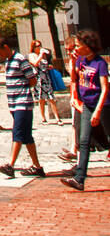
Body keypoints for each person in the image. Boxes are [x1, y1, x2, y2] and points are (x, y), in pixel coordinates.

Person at [0, 28, 45, 178]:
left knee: (18, 133)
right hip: (14, 104)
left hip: (23, 103)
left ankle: (11, 164)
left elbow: (32, 79)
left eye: (0, 52)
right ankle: (37, 166)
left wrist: (23, 90)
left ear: (6, 47)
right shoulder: (8, 62)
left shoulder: (20, 59)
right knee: (26, 136)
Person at [61, 29, 109, 192]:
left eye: (78, 45)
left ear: (87, 46)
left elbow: (105, 88)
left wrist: (98, 111)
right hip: (87, 105)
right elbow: (74, 77)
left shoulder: (100, 63)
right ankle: (79, 179)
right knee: (83, 141)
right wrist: (72, 61)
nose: (75, 48)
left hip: (102, 106)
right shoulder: (80, 60)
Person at [58, 36, 81, 165]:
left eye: (70, 49)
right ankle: (74, 149)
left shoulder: (83, 60)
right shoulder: (73, 60)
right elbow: (72, 79)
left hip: (85, 98)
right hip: (76, 97)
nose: (68, 52)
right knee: (74, 125)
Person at [28, 40, 61, 124]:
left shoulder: (44, 56)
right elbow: (35, 63)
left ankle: (57, 118)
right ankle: (43, 118)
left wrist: (49, 66)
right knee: (41, 99)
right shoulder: (32, 55)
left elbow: (45, 65)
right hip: (38, 79)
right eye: (37, 46)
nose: (39, 47)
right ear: (33, 48)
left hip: (46, 78)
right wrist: (40, 55)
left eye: (40, 45)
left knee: (51, 98)